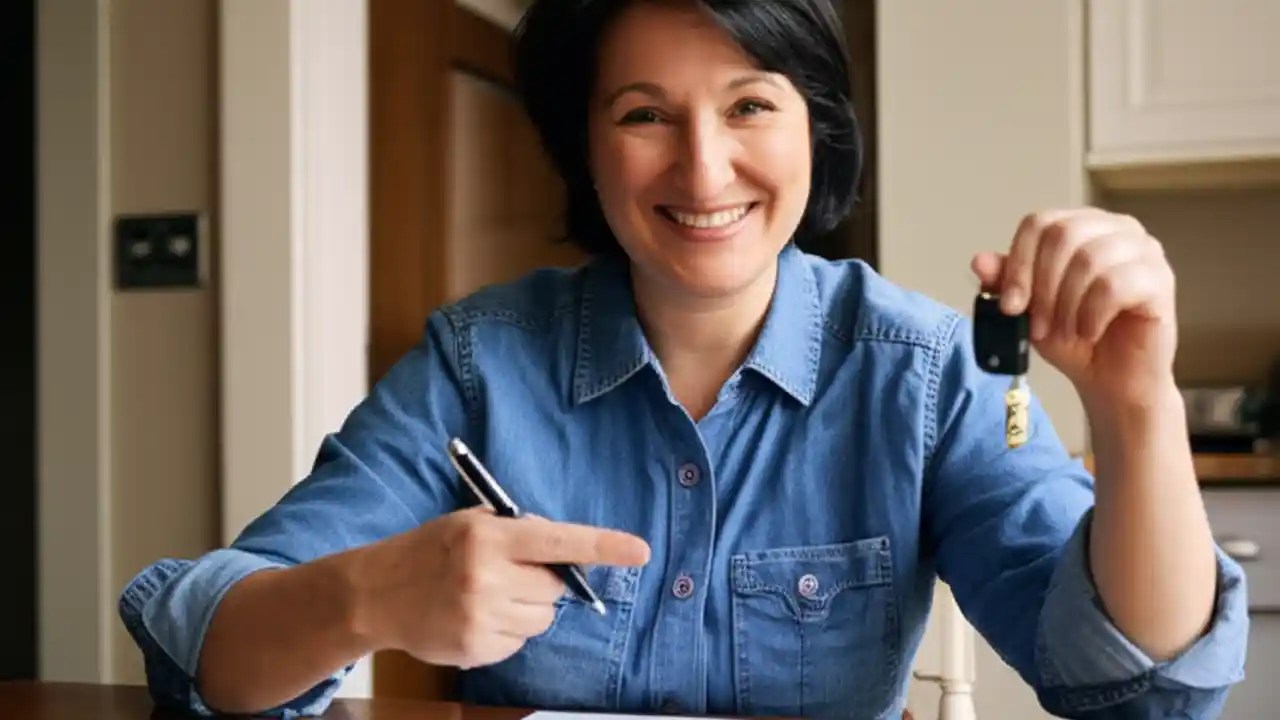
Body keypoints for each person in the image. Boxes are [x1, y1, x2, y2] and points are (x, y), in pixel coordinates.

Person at [119, 1, 1248, 718]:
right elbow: (204, 656)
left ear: (816, 129)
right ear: (584, 148)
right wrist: (363, 594)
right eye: (644, 114)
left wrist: (1134, 401)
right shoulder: (476, 364)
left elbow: (1137, 695)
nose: (703, 174)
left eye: (749, 105)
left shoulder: (927, 372)